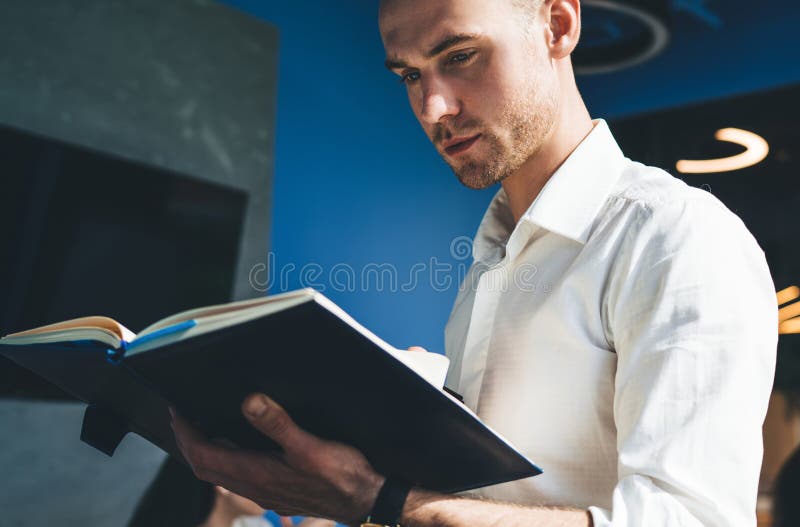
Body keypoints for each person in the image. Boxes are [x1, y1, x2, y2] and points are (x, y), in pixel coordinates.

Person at [170, 0, 778, 525]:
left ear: (558, 25)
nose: (433, 107)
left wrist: (379, 499)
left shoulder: (676, 237)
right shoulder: (493, 258)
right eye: (409, 74)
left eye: (459, 55)